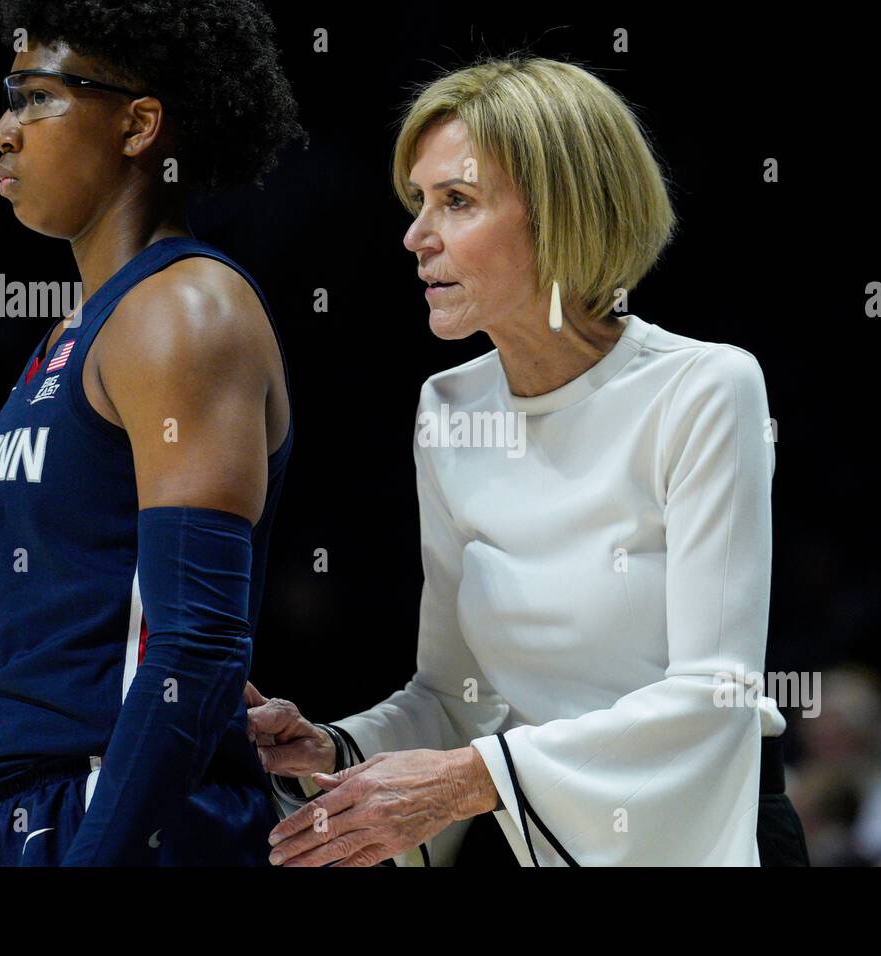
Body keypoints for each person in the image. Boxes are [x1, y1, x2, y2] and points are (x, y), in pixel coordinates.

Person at [247, 56, 810, 866]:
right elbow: (452, 699)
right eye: (418, 202)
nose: (416, 236)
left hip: (709, 833)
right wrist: (332, 749)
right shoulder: (448, 410)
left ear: (561, 214)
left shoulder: (704, 386)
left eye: (458, 202)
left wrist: (470, 780)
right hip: (531, 833)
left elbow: (712, 699)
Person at [0, 0, 304, 866]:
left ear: (138, 124)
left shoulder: (182, 310)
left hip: (121, 819)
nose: (1, 133)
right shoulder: (68, 337)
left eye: (33, 98)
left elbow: (197, 645)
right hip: (8, 819)